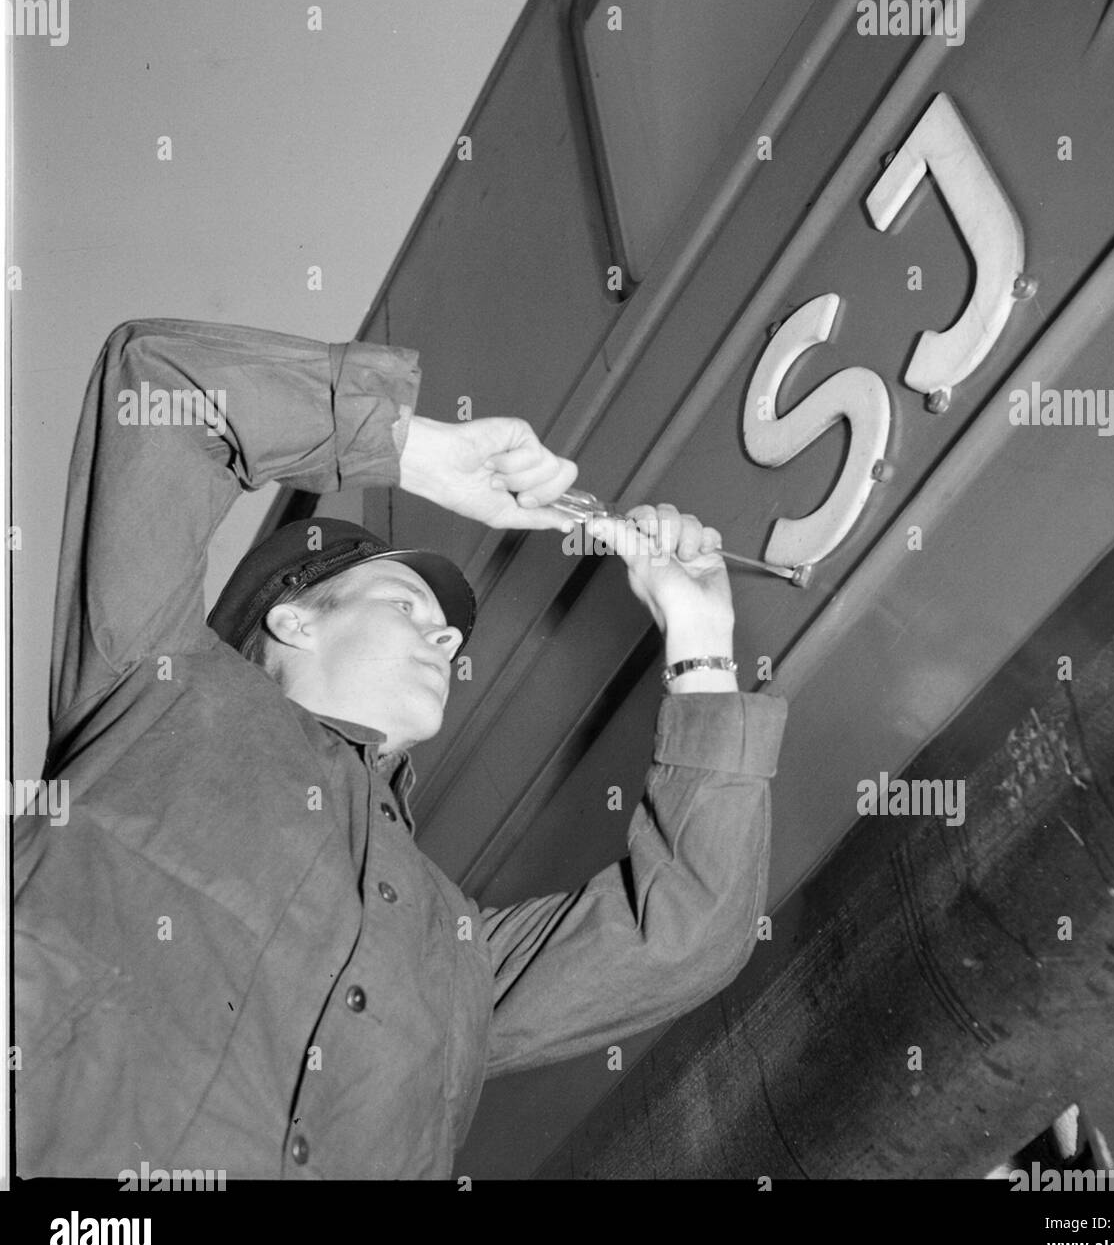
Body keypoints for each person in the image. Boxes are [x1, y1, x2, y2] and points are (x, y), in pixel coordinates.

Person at [14, 318, 789, 1179]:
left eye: (452, 639)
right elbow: (158, 390)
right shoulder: (155, 693)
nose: (448, 645)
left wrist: (701, 638)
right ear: (294, 618)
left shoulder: (449, 943)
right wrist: (414, 452)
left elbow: (682, 936)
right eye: (406, 606)